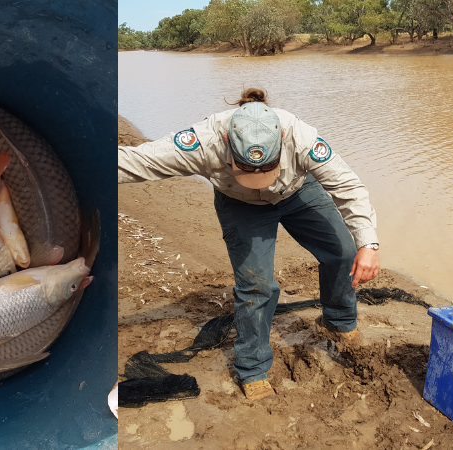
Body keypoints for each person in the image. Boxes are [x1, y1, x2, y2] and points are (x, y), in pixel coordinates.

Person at [118, 88, 380, 401]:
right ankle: (252, 368)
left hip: (298, 193)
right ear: (227, 142)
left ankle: (339, 321)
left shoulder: (302, 137)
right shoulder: (204, 140)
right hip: (240, 204)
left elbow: (347, 186)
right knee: (257, 287)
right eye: (248, 168)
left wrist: (368, 244)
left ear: (282, 138)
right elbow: (139, 161)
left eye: (265, 168)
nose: (259, 175)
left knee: (344, 252)